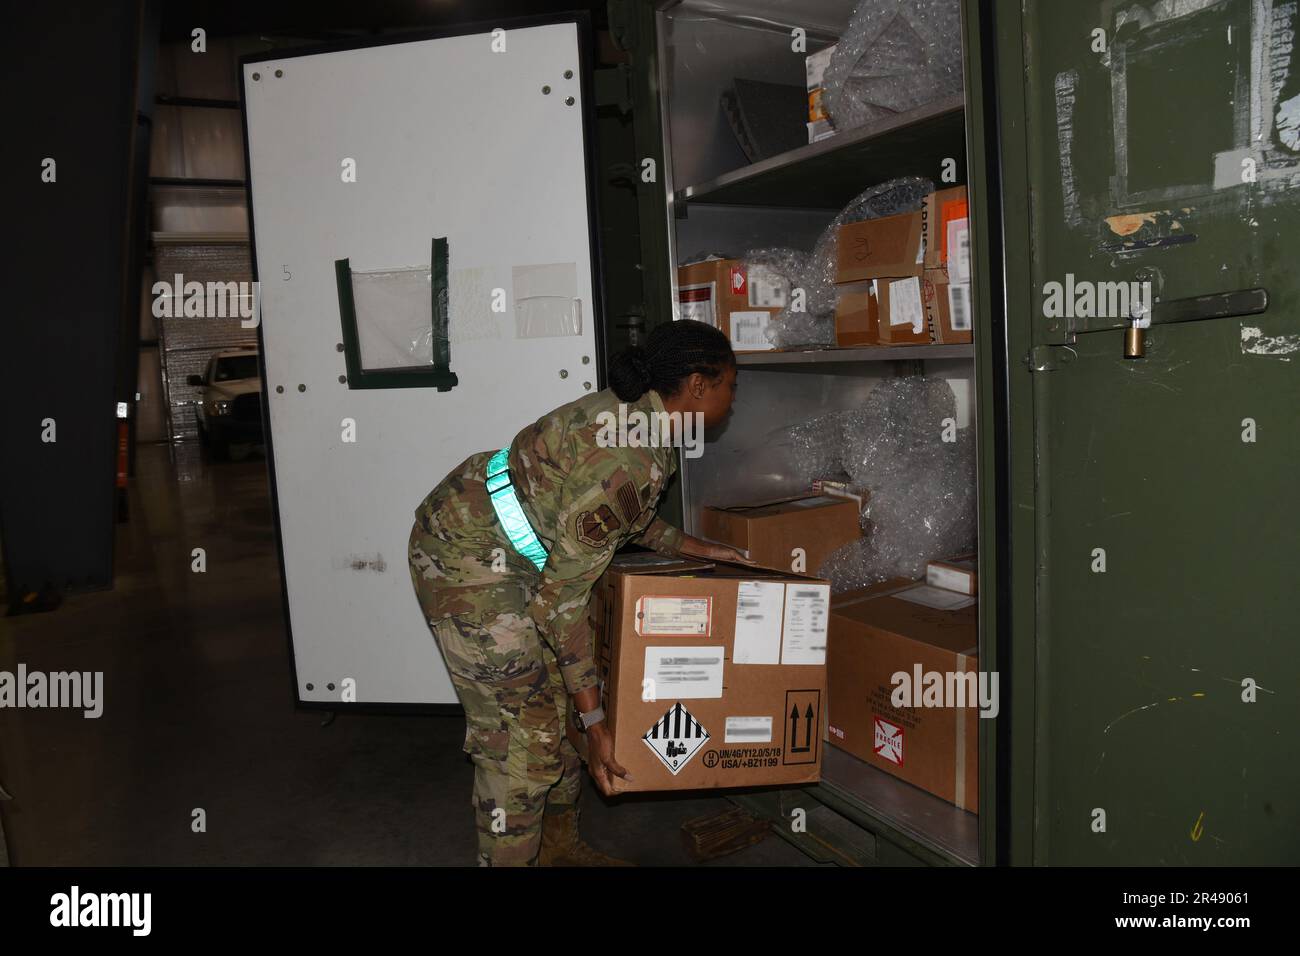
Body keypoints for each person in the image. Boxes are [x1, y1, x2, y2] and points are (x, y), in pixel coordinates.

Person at [407, 319, 747, 866]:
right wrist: (598, 726)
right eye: (732, 385)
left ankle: (560, 855)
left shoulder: (645, 419)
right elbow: (560, 607)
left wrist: (692, 546)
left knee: (556, 714)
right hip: (464, 556)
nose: (734, 401)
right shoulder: (629, 456)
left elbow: (620, 515)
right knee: (523, 746)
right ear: (699, 385)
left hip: (515, 550)